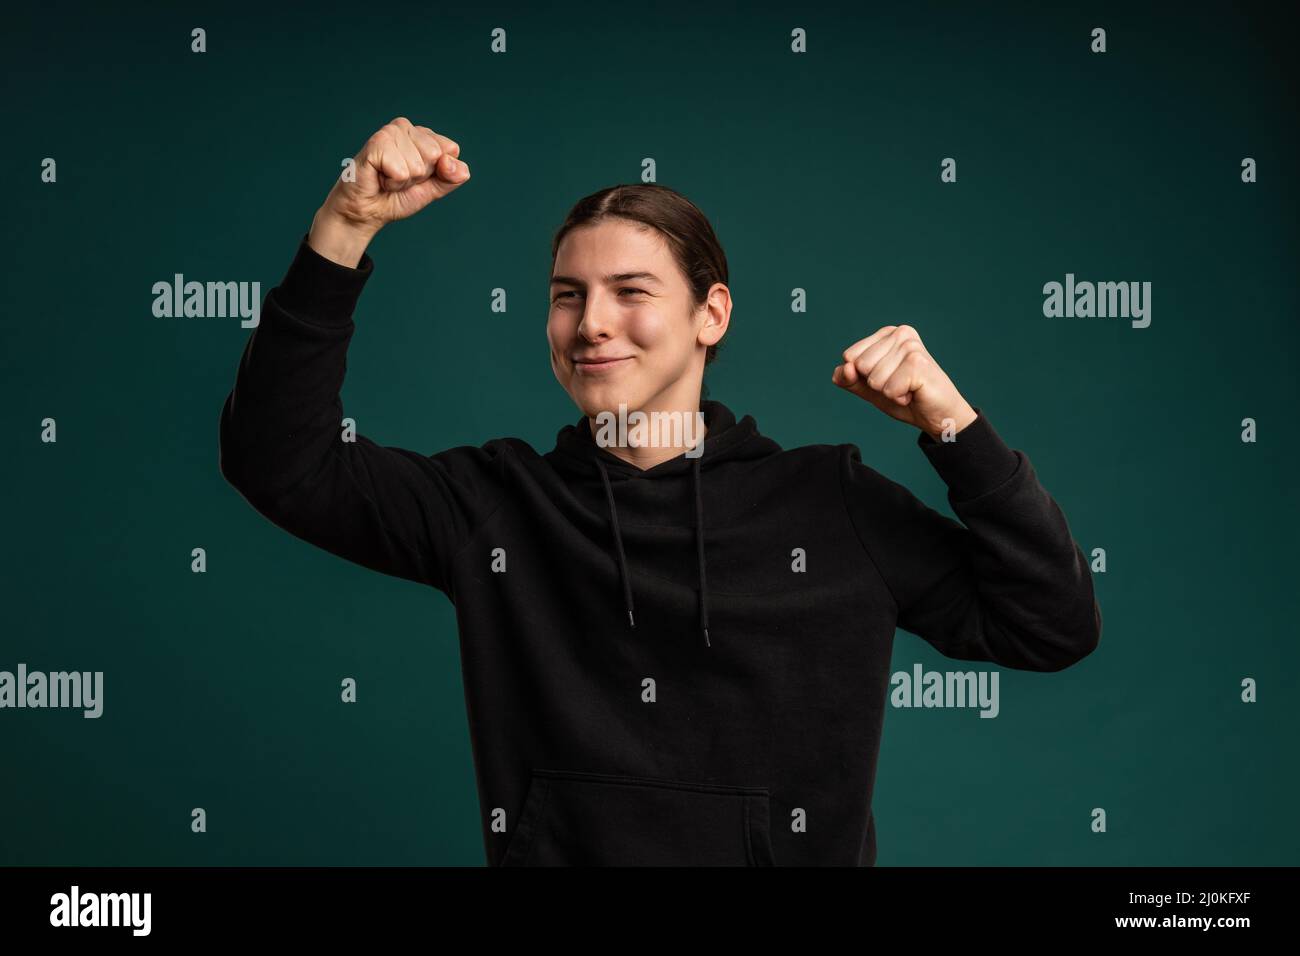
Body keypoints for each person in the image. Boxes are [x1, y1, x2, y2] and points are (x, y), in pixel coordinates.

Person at [218, 117, 1102, 866]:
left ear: (710, 314)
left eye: (629, 291)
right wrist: (345, 223)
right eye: (568, 296)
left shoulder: (830, 502)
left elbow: (1051, 625)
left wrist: (953, 427)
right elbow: (279, 461)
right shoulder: (495, 504)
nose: (591, 323)